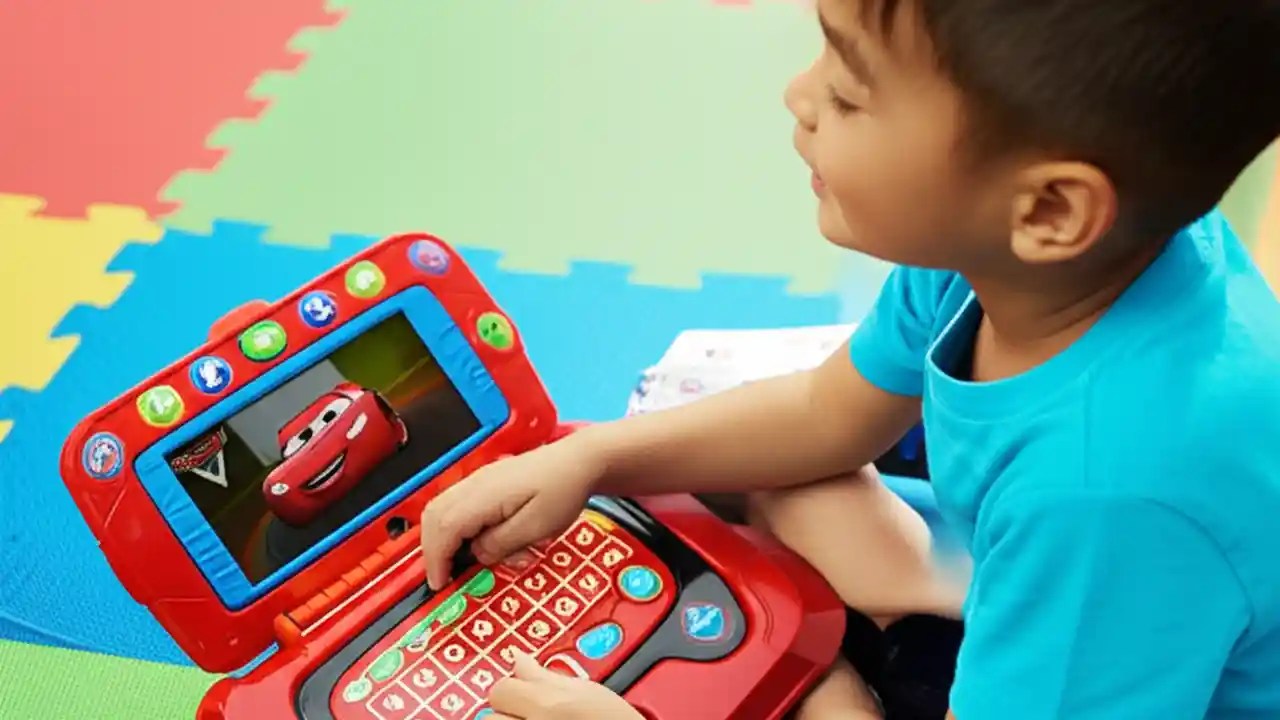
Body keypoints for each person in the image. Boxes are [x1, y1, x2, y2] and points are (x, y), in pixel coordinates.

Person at [420, 0, 1280, 717]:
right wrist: (594, 455)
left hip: (1114, 630)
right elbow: (825, 417)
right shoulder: (1025, 260)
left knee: (785, 677)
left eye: (850, 94)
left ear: (1050, 209)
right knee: (744, 479)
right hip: (1058, 600)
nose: (798, 97)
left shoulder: (1109, 492)